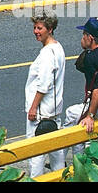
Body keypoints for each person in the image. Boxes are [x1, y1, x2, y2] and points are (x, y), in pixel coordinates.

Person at [24, 14, 66, 177]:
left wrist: (33, 108)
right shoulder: (58, 48)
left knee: (35, 156)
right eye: (35, 27)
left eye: (40, 28)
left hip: (40, 114)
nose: (36, 31)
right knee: (56, 155)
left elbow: (44, 84)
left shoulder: (47, 54)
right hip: (54, 111)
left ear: (50, 29)